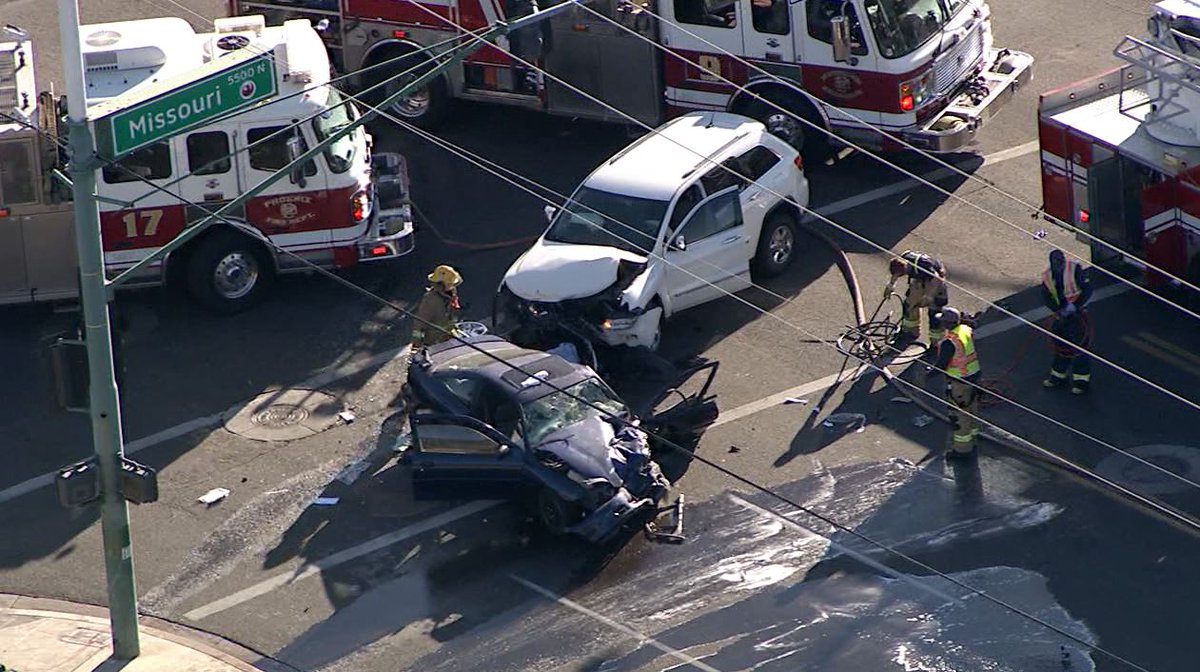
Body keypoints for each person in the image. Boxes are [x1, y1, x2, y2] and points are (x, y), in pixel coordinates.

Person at [1040, 249, 1093, 394]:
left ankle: (1081, 382)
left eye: (1061, 262)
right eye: (1057, 263)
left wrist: (1074, 306)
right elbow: (1046, 297)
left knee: (1079, 347)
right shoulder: (1048, 276)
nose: (1060, 265)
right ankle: (1058, 376)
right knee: (1060, 346)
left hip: (1078, 315)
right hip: (1062, 315)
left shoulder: (1074, 269)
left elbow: (1087, 290)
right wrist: (1058, 310)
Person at [932, 306, 981, 458]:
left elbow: (940, 365)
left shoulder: (949, 342)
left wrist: (927, 374)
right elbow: (972, 324)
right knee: (971, 408)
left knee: (959, 416)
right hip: (974, 376)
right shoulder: (965, 329)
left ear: (947, 323)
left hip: (959, 382)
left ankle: (963, 451)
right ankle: (974, 435)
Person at [885, 250, 949, 346]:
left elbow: (936, 279)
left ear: (906, 269)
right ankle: (910, 332)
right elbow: (896, 273)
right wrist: (891, 285)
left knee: (934, 313)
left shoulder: (923, 267)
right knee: (909, 305)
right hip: (919, 280)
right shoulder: (904, 258)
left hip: (935, 282)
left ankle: (936, 344)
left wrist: (929, 297)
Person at [410, 265, 462, 350]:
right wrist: (416, 345)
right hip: (435, 341)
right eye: (450, 284)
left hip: (449, 336)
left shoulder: (451, 292)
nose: (452, 286)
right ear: (440, 284)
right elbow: (419, 323)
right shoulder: (430, 300)